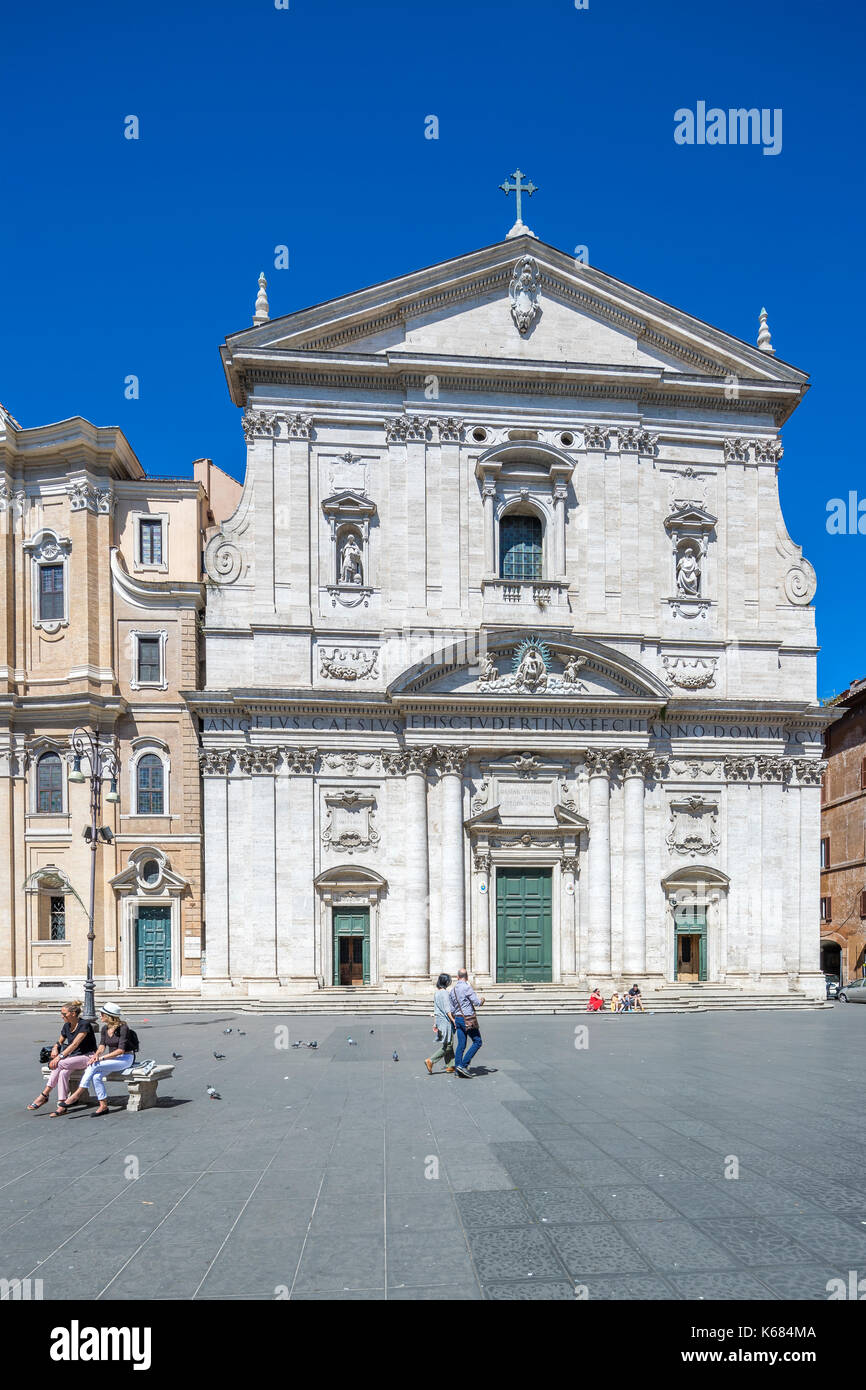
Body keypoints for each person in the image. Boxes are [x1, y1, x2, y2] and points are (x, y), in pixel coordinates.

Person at [54, 1004, 137, 1117]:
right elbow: (102, 1046)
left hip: (125, 1059)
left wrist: (101, 1058)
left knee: (93, 1066)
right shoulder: (105, 1028)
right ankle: (103, 1106)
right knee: (96, 1076)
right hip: (112, 1059)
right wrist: (96, 1055)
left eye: (102, 1014)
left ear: (109, 1016)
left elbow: (120, 1050)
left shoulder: (123, 1028)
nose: (100, 1016)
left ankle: (77, 1094)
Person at [27, 1001, 97, 1111]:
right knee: (63, 1072)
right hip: (73, 1058)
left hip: (88, 1056)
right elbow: (60, 1041)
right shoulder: (66, 1026)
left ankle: (44, 1095)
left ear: (73, 1013)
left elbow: (75, 1044)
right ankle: (62, 1103)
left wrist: (59, 1056)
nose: (62, 1016)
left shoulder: (84, 1025)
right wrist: (55, 1047)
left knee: (59, 1063)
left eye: (64, 1014)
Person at [449, 968, 485, 1077]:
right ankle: (463, 1065)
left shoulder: (453, 990)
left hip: (458, 1019)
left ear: (457, 977)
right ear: (467, 977)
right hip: (468, 1019)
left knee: (461, 1044)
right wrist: (483, 999)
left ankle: (457, 1070)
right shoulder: (467, 988)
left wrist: (454, 1020)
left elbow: (452, 1008)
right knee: (477, 1041)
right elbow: (477, 1002)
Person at [425, 973, 456, 1074]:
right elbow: (447, 1009)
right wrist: (453, 1020)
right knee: (448, 1045)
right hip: (446, 1021)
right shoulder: (444, 993)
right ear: (446, 982)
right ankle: (431, 1060)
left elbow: (436, 1009)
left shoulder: (437, 993)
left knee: (447, 1042)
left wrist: (435, 1023)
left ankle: (450, 1066)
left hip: (439, 1020)